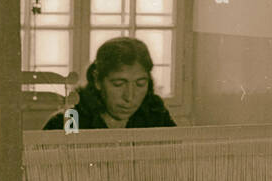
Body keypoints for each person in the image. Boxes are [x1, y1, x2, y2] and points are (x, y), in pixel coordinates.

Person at [44, 37, 176, 130]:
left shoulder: (157, 115)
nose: (129, 97)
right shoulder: (70, 120)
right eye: (118, 84)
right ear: (97, 80)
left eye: (140, 84)